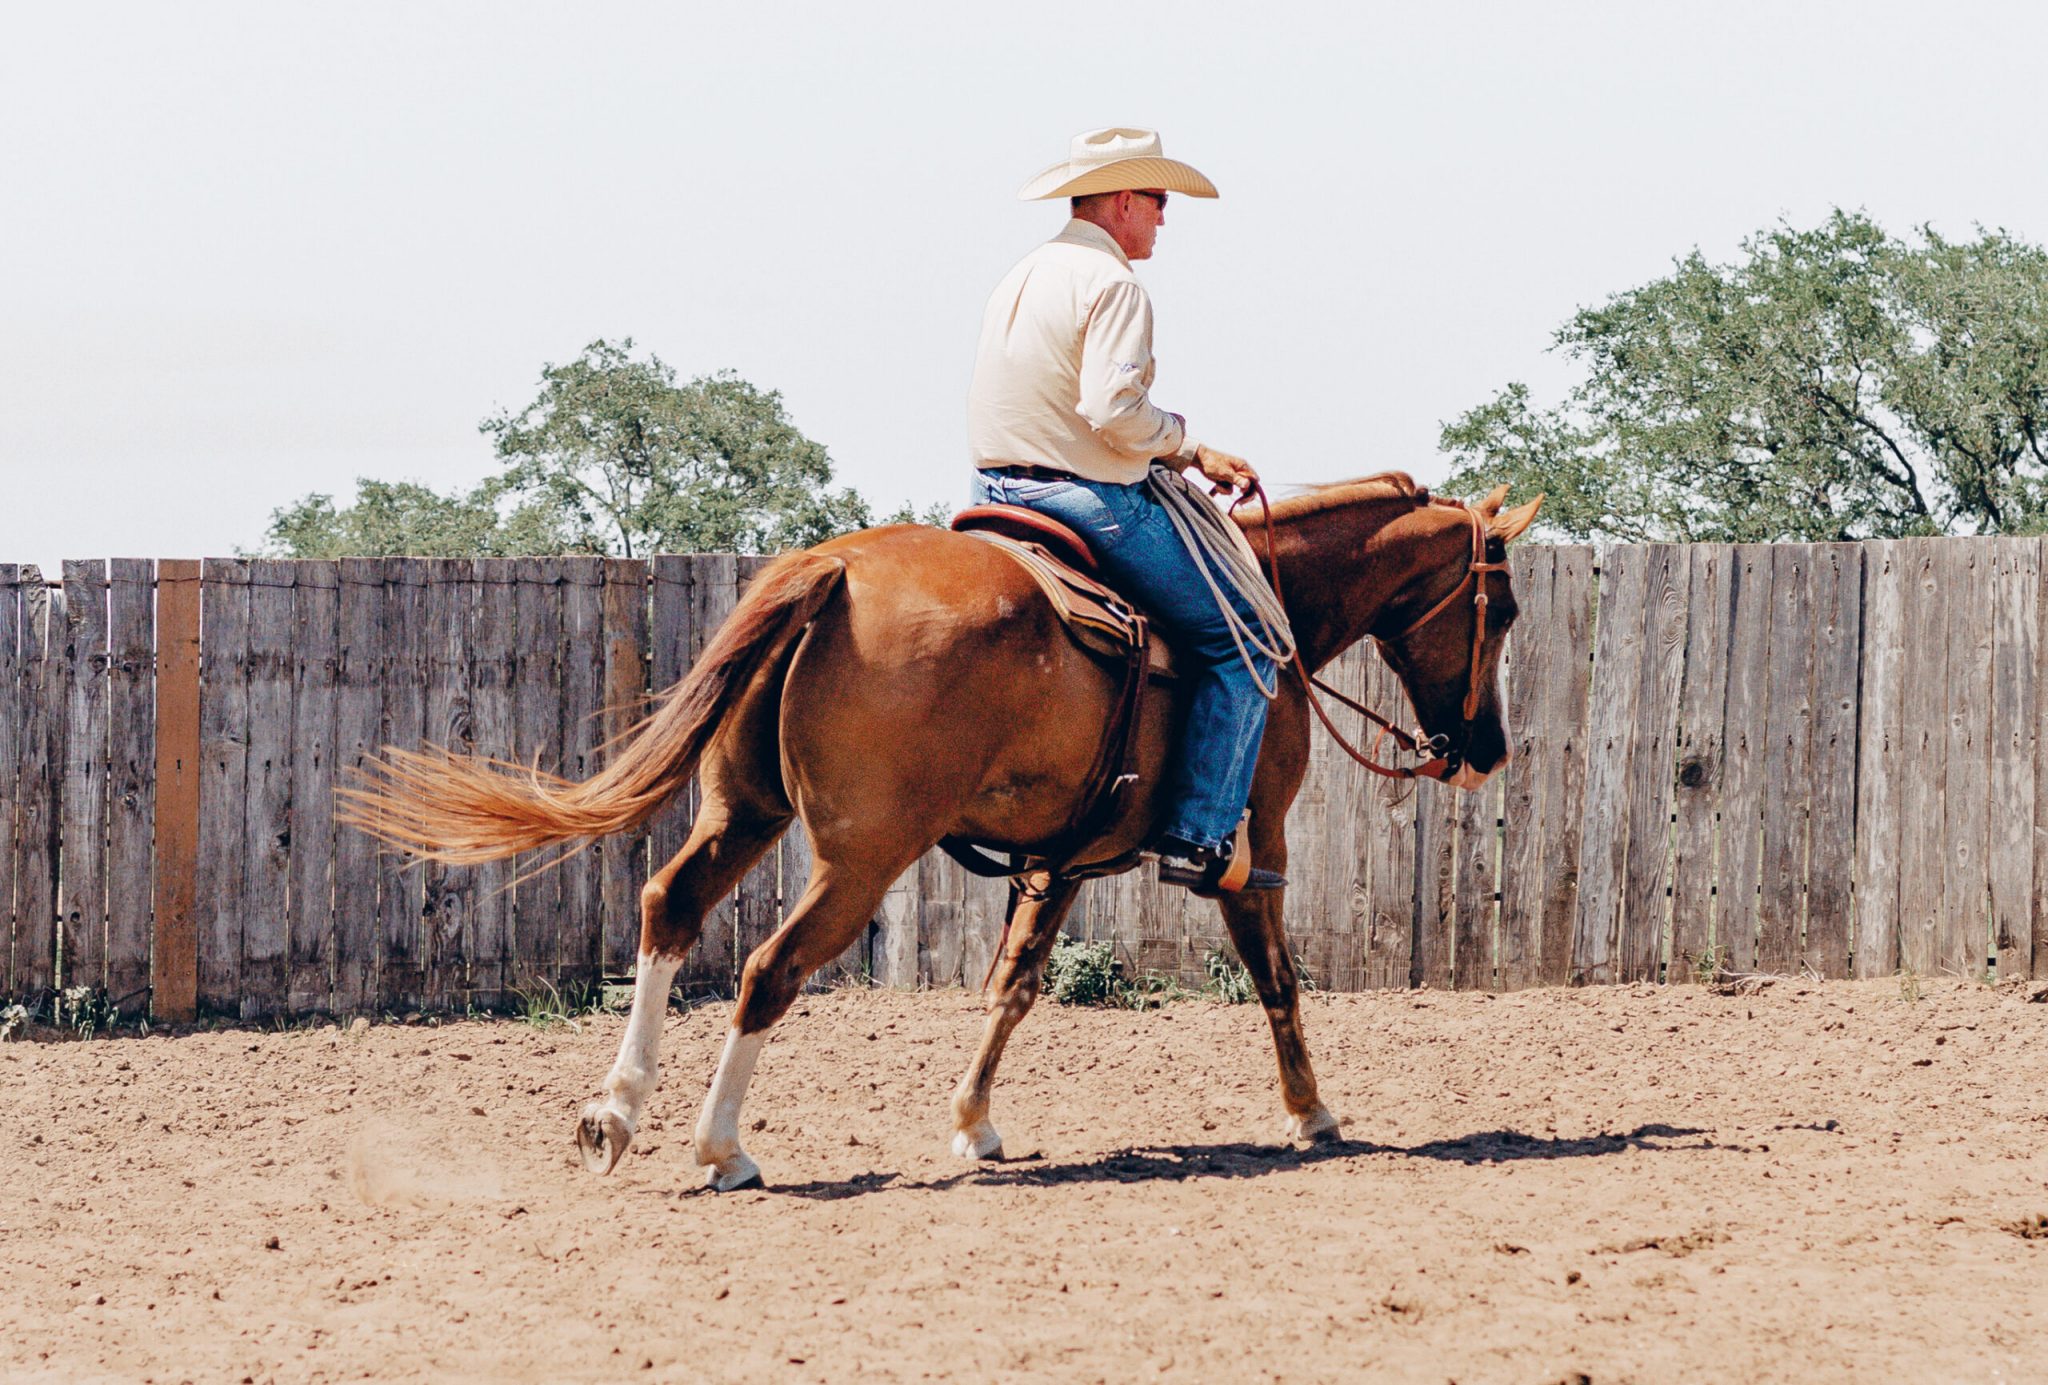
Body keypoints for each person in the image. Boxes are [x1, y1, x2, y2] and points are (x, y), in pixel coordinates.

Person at [966, 127, 1283, 894]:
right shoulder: (1115, 286)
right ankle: (1200, 833)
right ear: (1122, 199)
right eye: (1160, 202)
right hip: (1083, 497)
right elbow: (1110, 409)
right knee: (1249, 642)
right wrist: (1189, 445)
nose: (1165, 221)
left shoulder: (1024, 272)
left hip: (991, 493)